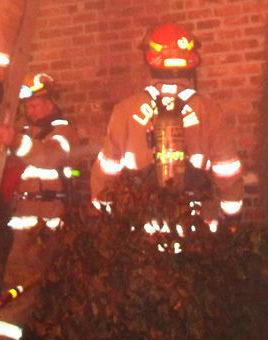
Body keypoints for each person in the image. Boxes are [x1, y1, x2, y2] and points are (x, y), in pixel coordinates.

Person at [0, 72, 83, 340]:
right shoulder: (25, 132)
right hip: (11, 217)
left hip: (42, 222)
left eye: (36, 104)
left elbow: (49, 157)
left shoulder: (63, 133)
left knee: (22, 281)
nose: (31, 110)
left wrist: (16, 141)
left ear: (51, 103)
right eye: (28, 105)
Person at [91, 22, 244, 223]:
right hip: (197, 226)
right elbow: (227, 170)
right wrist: (231, 215)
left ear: (149, 60)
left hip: (141, 227)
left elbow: (105, 173)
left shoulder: (124, 111)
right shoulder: (209, 110)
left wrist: (105, 215)